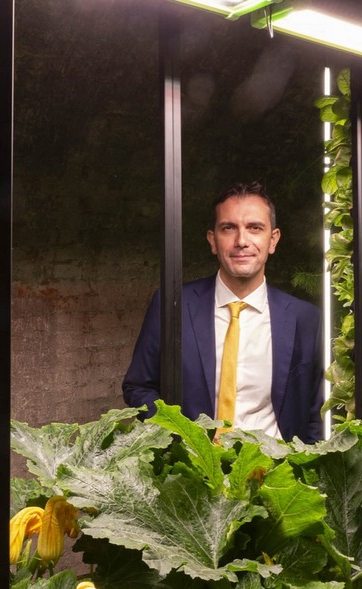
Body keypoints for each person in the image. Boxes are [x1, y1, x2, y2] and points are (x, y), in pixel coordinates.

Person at [121, 182, 325, 443]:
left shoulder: (305, 318)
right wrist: (186, 435)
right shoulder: (173, 305)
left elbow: (317, 412)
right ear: (213, 240)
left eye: (255, 228)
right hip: (194, 462)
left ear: (273, 240)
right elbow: (139, 387)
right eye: (229, 228)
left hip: (278, 463)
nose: (242, 241)